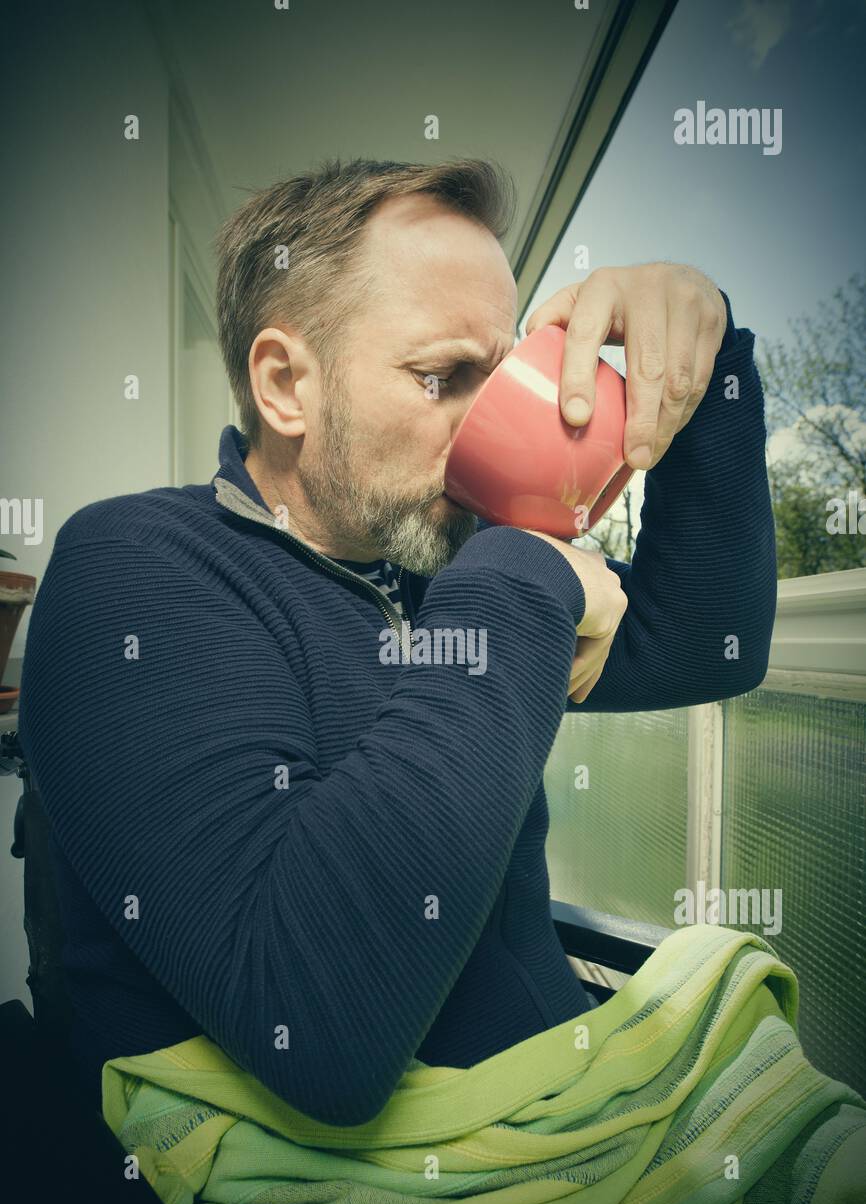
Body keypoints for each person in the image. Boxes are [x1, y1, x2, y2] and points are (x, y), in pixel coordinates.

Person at [18, 157, 776, 1126]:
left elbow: (708, 644)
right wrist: (527, 573)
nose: (491, 419)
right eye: (442, 376)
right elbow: (315, 1024)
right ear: (287, 384)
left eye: (501, 375)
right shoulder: (134, 567)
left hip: (570, 1102)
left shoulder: (439, 568)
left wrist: (700, 368)